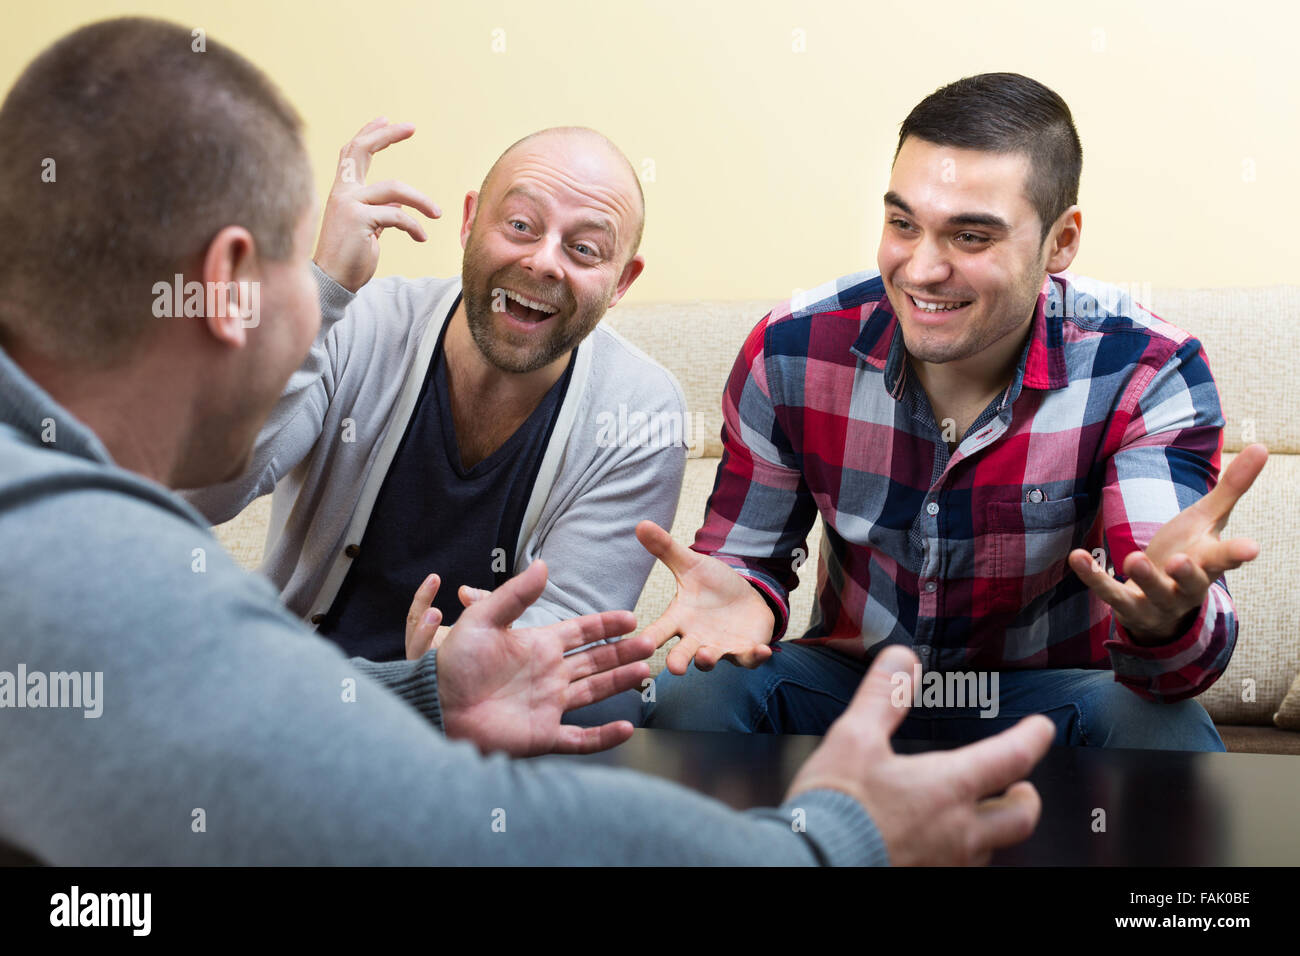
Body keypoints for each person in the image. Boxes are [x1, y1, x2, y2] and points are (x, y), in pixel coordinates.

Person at [0, 17, 1055, 865]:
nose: (316, 298)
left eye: (585, 245)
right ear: (231, 284)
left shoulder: (60, 521)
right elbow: (408, 811)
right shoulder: (83, 552)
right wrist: (831, 841)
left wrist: (426, 687)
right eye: (298, 266)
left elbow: (242, 707)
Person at [639, 72, 1267, 751]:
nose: (921, 269)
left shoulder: (1145, 369)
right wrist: (747, 590)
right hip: (849, 693)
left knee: (1157, 728)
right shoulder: (792, 350)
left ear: (1060, 241)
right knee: (694, 693)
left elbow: (1168, 635)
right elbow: (743, 565)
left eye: (970, 237)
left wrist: (1164, 618)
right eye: (903, 224)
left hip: (1045, 705)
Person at [183, 118, 685, 703]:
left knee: (610, 704)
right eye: (520, 225)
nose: (545, 262)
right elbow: (208, 492)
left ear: (622, 281)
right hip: (289, 690)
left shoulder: (641, 413)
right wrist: (319, 293)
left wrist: (455, 672)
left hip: (475, 722)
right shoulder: (361, 324)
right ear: (470, 222)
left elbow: (569, 634)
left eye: (584, 249)